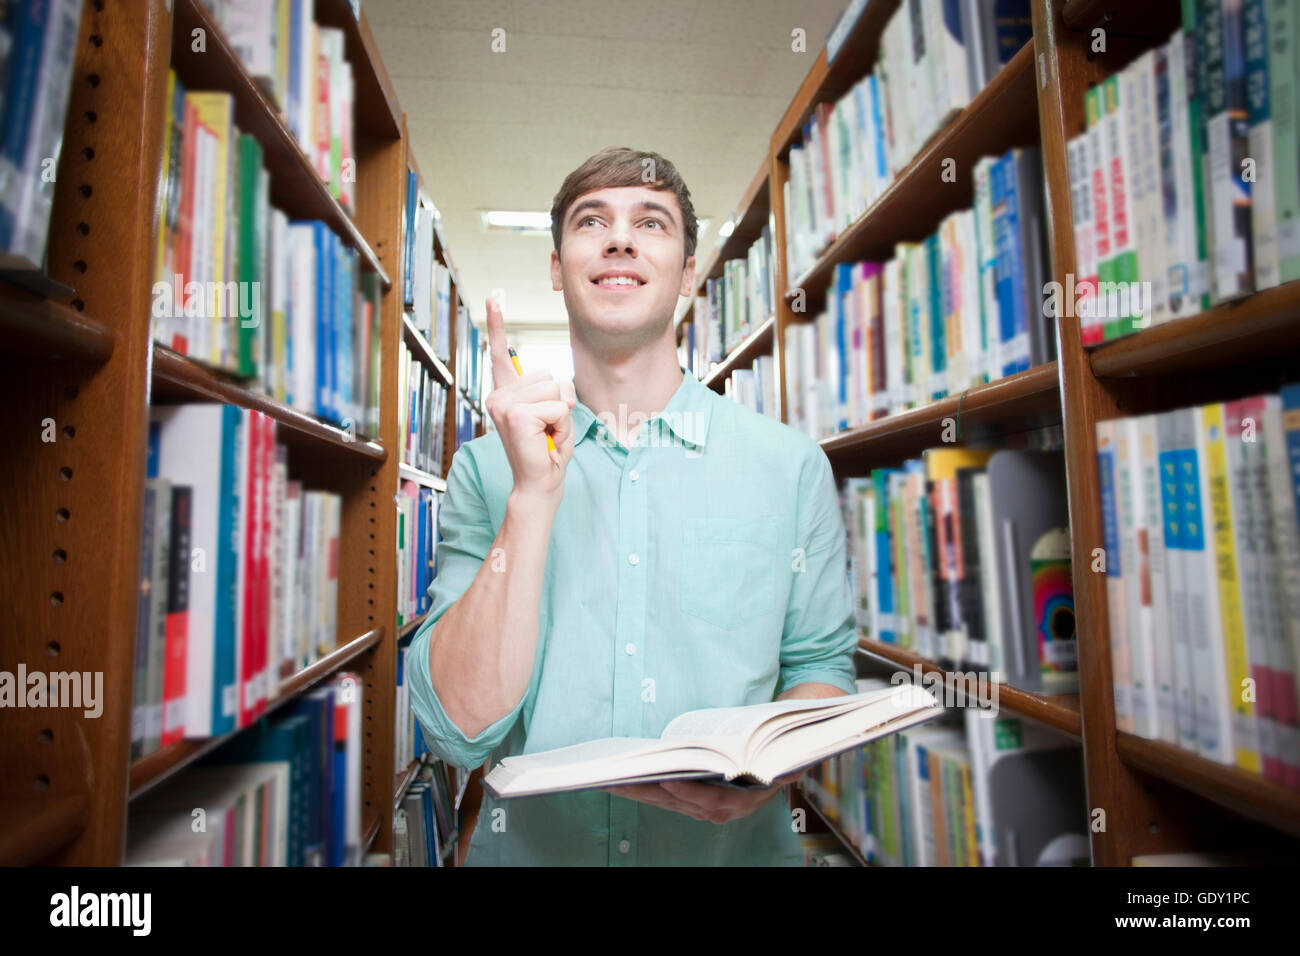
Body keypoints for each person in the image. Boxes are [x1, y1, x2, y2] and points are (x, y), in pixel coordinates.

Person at [406, 146, 857, 865]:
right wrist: (531, 498)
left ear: (686, 271)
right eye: (592, 221)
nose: (620, 238)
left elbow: (819, 664)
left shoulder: (790, 467)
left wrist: (771, 769)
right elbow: (457, 730)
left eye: (651, 223)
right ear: (557, 268)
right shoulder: (488, 471)